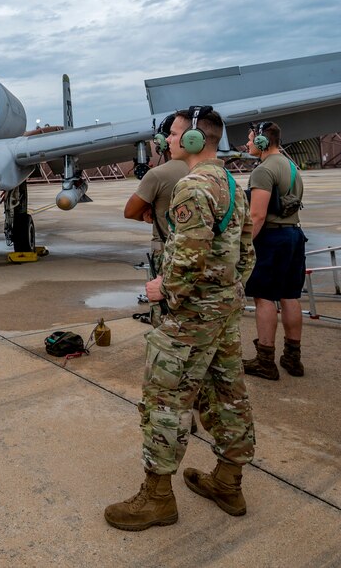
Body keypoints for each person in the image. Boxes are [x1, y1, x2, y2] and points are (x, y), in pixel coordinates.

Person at [105, 106, 256, 531]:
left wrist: (162, 289)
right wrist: (226, 295)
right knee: (228, 394)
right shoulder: (230, 181)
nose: (166, 141)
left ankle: (157, 498)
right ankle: (229, 480)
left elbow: (187, 263)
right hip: (224, 311)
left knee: (164, 401)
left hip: (188, 318)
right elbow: (246, 254)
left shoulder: (192, 186)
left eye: (172, 134)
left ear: (192, 139)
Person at [241, 121, 308, 380]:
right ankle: (293, 358)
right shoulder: (292, 167)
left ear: (261, 141)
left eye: (250, 140)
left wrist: (243, 245)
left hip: (271, 238)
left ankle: (265, 360)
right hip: (293, 236)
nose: (247, 144)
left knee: (264, 297)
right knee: (290, 296)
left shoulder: (264, 170)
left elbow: (257, 215)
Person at [124, 115, 189, 279]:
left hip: (169, 253)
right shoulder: (215, 171)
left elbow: (130, 212)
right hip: (205, 253)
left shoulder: (158, 175)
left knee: (164, 302)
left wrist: (151, 213)